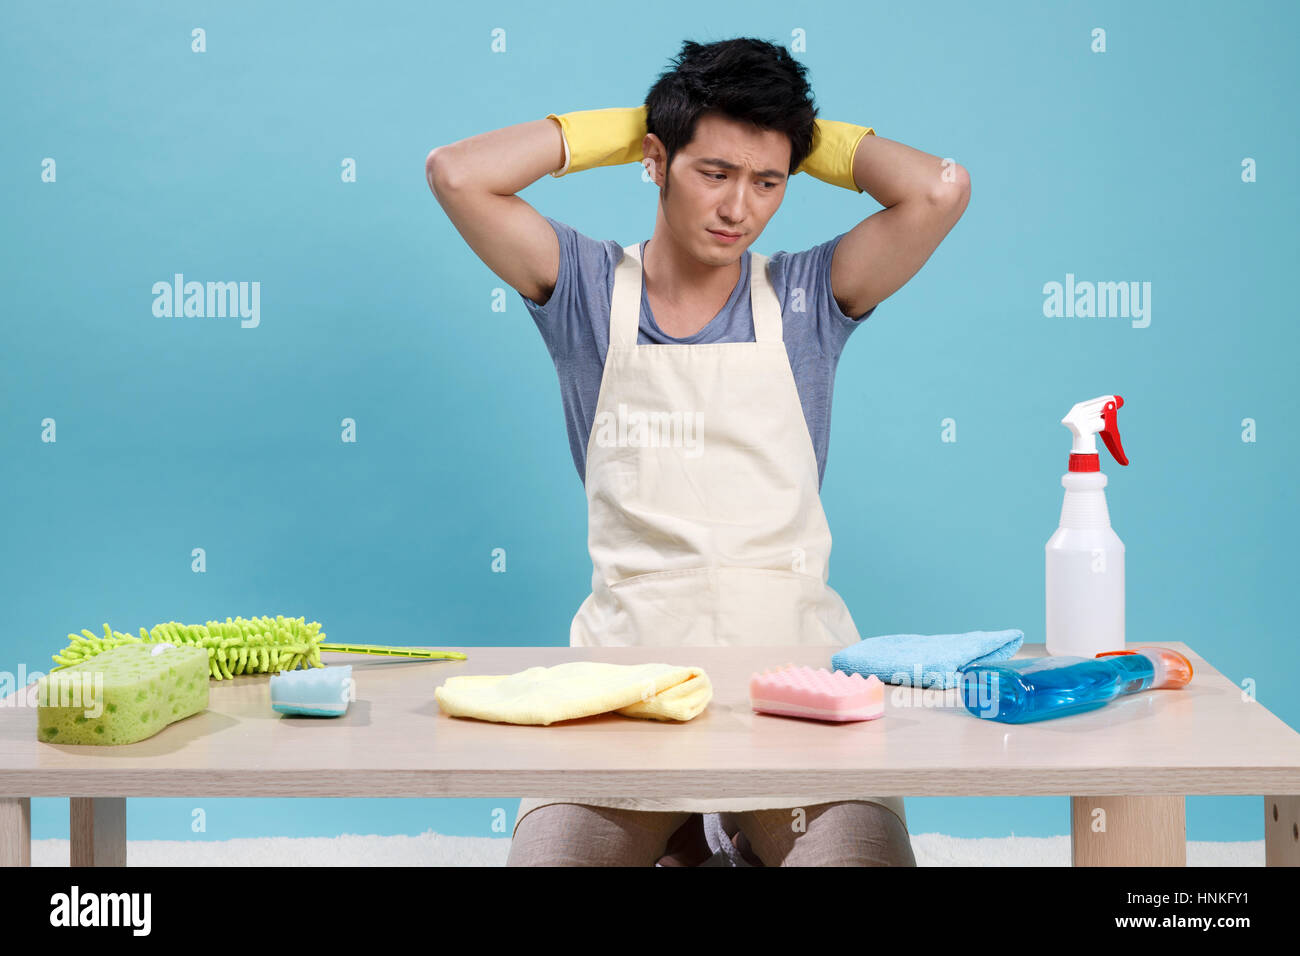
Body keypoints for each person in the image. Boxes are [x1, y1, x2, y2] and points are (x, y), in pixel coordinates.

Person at [425, 37, 970, 866]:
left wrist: (793, 132)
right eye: (712, 172)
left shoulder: (804, 299)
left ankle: (724, 835)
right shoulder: (584, 292)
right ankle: (683, 831)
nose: (738, 207)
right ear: (656, 160)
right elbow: (458, 173)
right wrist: (644, 123)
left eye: (767, 182)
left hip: (798, 693)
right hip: (625, 693)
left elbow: (938, 189)